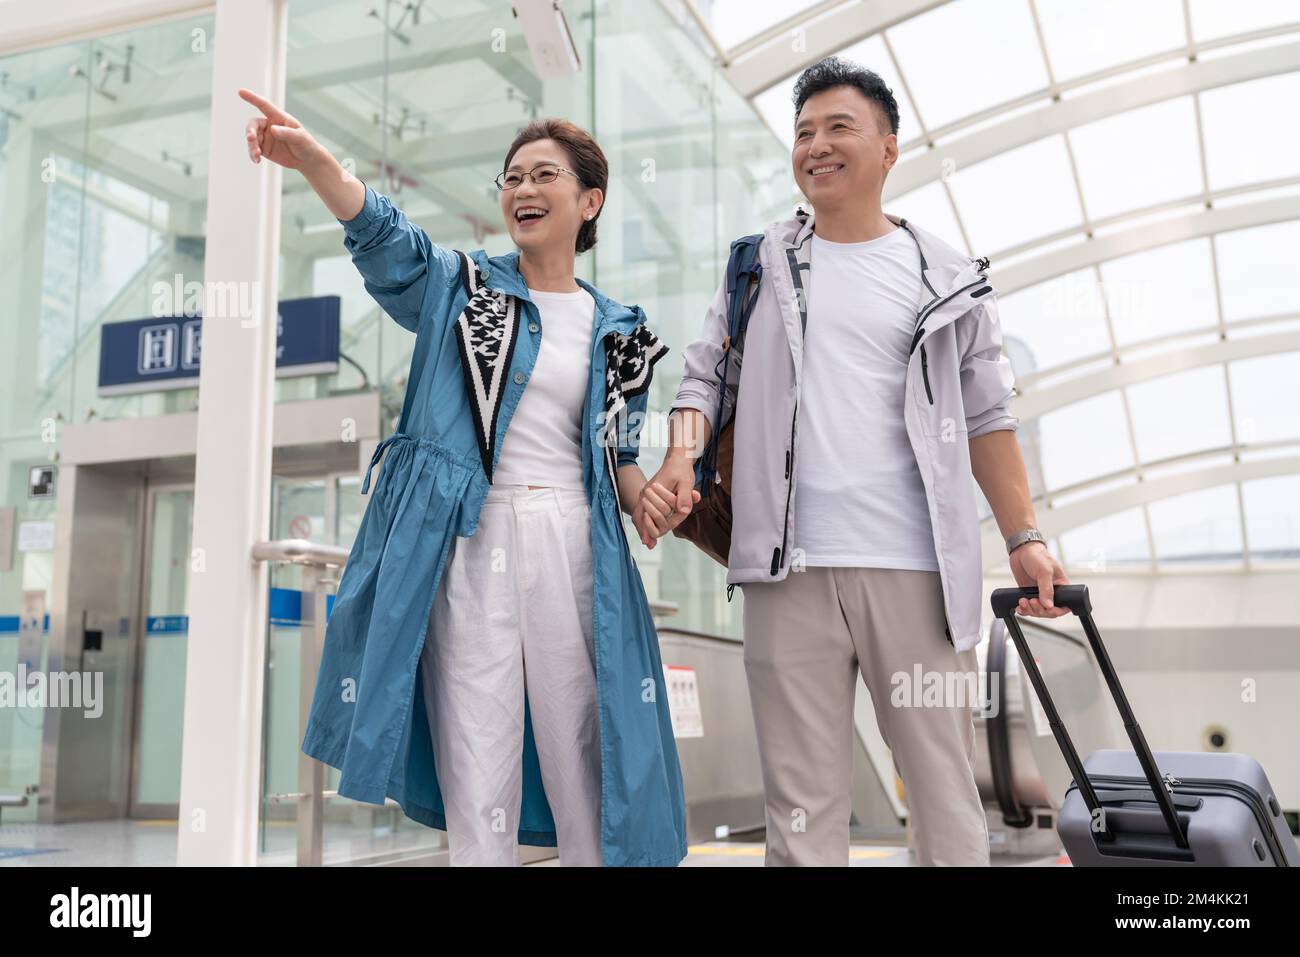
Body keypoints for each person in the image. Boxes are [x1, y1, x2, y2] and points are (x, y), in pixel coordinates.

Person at [239, 89, 692, 866]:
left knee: (584, 736)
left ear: (590, 199)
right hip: (472, 533)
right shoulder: (465, 288)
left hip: (576, 541)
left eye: (543, 175)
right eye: (511, 177)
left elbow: (616, 456)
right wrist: (317, 164)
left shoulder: (621, 331)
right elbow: (389, 244)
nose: (521, 189)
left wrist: (648, 496)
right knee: (474, 737)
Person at [644, 57, 1071, 866]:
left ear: (888, 149)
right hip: (785, 571)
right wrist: (678, 459)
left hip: (917, 573)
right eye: (804, 132)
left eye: (839, 127)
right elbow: (705, 377)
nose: (816, 145)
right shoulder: (757, 266)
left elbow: (988, 417)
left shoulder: (947, 278)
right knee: (801, 810)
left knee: (943, 795)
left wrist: (1024, 536)